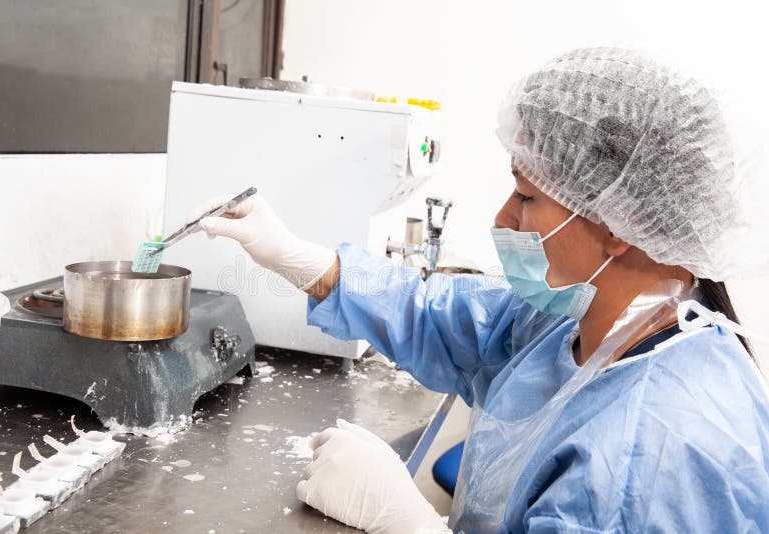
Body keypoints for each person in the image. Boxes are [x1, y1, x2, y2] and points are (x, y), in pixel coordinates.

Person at [191, 48, 769, 533]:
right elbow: (449, 320)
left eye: (526, 196)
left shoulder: (652, 455)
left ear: (617, 224)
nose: (503, 217)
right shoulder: (592, 321)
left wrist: (405, 522)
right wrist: (300, 259)